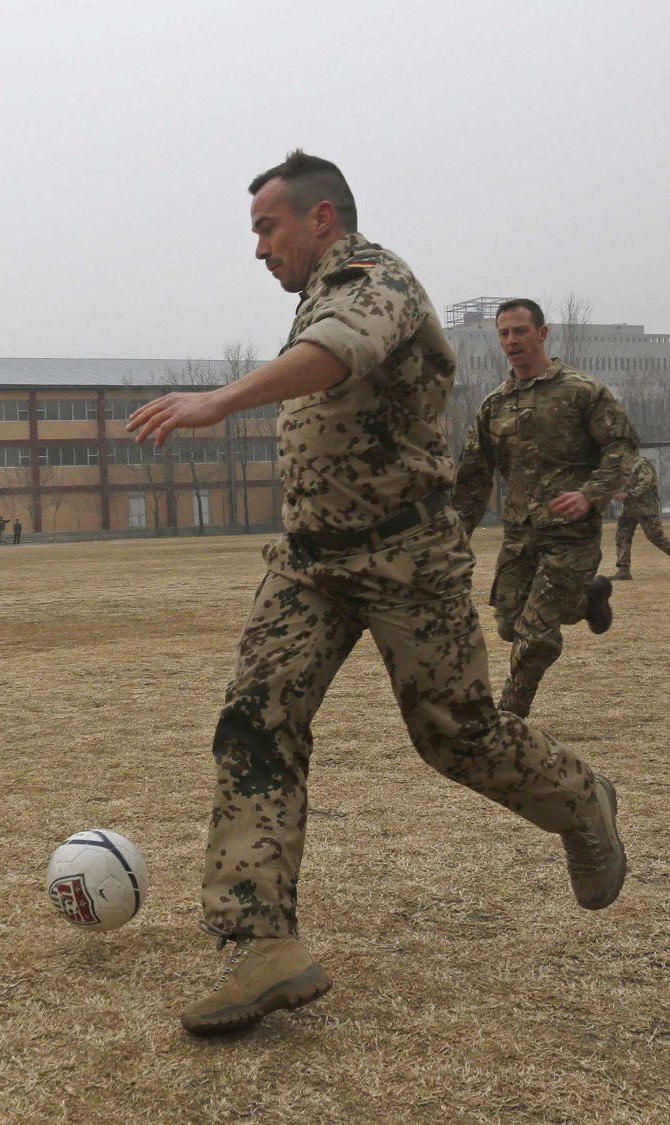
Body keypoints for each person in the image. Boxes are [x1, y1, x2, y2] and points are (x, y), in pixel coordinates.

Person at [127, 151, 625, 1036]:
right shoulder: (317, 296)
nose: (257, 250)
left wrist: (218, 401)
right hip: (311, 564)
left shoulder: (373, 279)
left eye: (265, 228)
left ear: (322, 220)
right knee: (255, 719)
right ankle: (260, 941)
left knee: (455, 736)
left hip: (406, 559)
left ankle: (582, 798)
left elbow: (334, 358)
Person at [452, 298, 637, 717]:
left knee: (535, 634)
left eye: (520, 331)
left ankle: (508, 717)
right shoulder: (493, 406)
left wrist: (591, 493)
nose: (512, 340)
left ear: (542, 333)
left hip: (571, 536)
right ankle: (587, 602)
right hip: (521, 534)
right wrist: (454, 535)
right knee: (508, 623)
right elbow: (474, 478)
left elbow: (622, 445)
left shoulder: (582, 391)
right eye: (504, 333)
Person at [611, 455, 669, 580]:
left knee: (657, 537)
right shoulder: (622, 465)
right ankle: (623, 570)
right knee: (622, 536)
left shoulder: (642, 462)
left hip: (645, 508)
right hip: (629, 509)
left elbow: (645, 483)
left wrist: (627, 495)